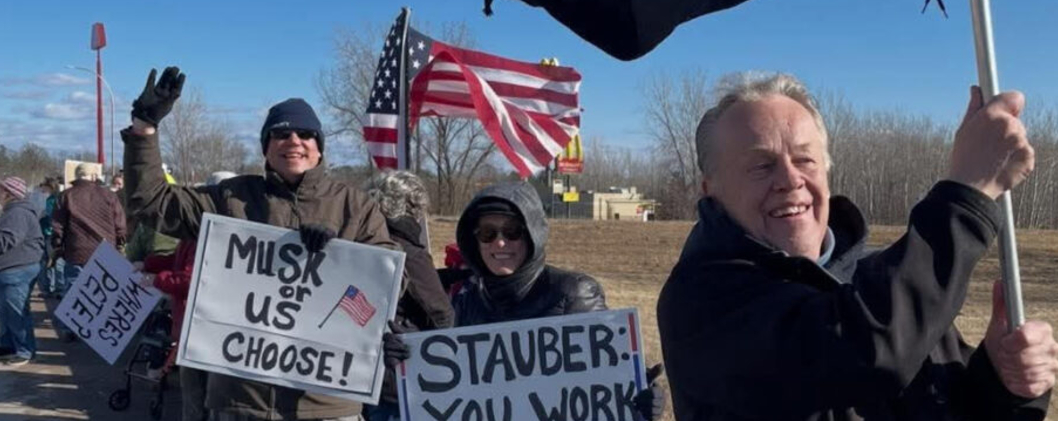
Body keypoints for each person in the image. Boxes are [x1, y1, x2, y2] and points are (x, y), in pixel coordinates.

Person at [658, 73, 1058, 420]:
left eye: (805, 160)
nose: (789, 180)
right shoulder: (701, 299)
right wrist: (968, 193)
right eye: (761, 165)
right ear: (711, 191)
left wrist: (1001, 381)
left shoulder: (881, 279)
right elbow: (864, 353)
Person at [122, 66, 397, 421]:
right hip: (241, 398)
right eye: (281, 133)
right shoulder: (230, 198)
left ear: (319, 148)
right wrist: (144, 127)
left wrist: (340, 256)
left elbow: (389, 278)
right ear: (267, 146)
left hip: (324, 402)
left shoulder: (355, 206)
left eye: (306, 134)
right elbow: (149, 203)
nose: (294, 141)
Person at [384, 181, 665, 421]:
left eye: (512, 231)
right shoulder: (466, 298)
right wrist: (412, 359)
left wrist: (636, 399)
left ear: (532, 235)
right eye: (487, 233)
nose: (500, 243)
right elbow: (457, 390)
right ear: (475, 241)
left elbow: (601, 386)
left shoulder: (573, 292)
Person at [139, 170, 237, 421]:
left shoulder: (222, 237)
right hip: (191, 326)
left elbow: (195, 279)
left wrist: (157, 279)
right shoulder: (196, 231)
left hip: (208, 329)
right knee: (193, 392)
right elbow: (179, 261)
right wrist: (149, 264)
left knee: (204, 397)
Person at [362, 170, 454, 421]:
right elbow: (441, 313)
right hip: (401, 382)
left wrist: (446, 276)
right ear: (413, 206)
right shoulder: (406, 250)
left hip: (368, 375)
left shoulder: (365, 243)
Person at [0, 176, 45, 366]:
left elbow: (7, 241)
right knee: (5, 313)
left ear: (8, 194)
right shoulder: (12, 212)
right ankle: (8, 346)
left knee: (16, 312)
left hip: (15, 270)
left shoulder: (18, 213)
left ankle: (24, 350)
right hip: (5, 270)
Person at [53, 163, 127, 340]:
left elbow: (58, 226)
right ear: (94, 177)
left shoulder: (66, 196)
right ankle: (101, 329)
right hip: (105, 251)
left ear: (77, 177)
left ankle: (71, 328)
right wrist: (120, 243)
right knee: (102, 292)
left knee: (73, 290)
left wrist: (57, 246)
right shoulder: (109, 195)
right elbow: (120, 225)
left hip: (77, 250)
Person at [34, 178, 64, 299]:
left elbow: (54, 216)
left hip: (52, 233)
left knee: (56, 262)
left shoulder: (55, 199)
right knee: (45, 262)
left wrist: (44, 215)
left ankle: (59, 289)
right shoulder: (46, 199)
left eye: (44, 187)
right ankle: (48, 288)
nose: (42, 190)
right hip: (44, 232)